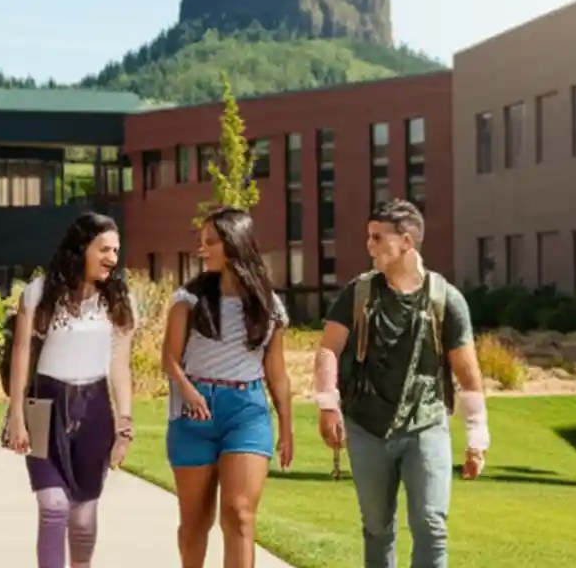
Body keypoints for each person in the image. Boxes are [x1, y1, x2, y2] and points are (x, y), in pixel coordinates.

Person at [313, 198, 490, 568]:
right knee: (377, 528)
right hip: (366, 427)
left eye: (378, 238)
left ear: (406, 242)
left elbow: (468, 374)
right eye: (368, 237)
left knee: (431, 525)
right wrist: (328, 404)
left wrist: (476, 438)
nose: (369, 245)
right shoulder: (358, 293)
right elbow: (329, 349)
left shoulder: (445, 299)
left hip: (426, 426)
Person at [161, 206, 294, 568]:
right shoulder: (188, 300)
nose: (202, 250)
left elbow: (277, 374)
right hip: (194, 414)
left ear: (236, 244)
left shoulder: (269, 306)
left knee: (238, 514)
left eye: (211, 242)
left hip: (247, 412)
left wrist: (286, 427)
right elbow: (169, 360)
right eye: (200, 243)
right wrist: (189, 391)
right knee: (195, 523)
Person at [4, 211, 136, 568]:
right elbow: (21, 354)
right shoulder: (39, 293)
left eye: (116, 250)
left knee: (81, 518)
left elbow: (120, 367)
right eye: (104, 249)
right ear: (81, 249)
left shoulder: (120, 301)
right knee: (53, 507)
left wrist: (124, 425)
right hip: (44, 408)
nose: (112, 258)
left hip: (95, 411)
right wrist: (17, 415)